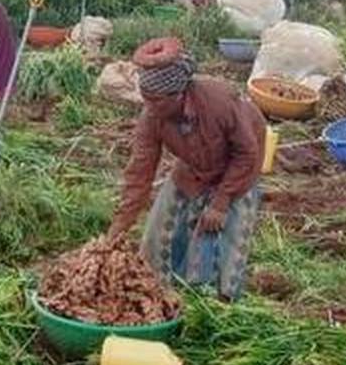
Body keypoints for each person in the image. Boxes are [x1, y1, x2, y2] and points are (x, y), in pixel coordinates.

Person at [106, 38, 264, 302]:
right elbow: (140, 174)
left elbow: (246, 153)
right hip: (192, 168)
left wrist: (221, 202)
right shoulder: (151, 118)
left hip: (237, 168)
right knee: (159, 234)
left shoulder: (219, 102)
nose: (151, 107)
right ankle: (159, 292)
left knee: (220, 237)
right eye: (146, 99)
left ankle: (218, 302)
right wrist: (118, 228)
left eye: (157, 101)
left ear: (178, 95)